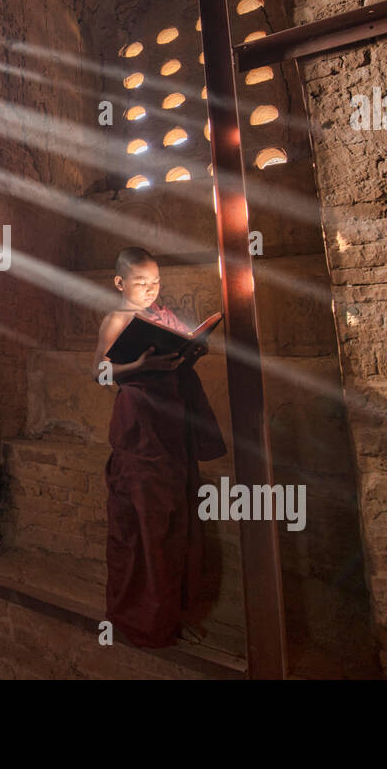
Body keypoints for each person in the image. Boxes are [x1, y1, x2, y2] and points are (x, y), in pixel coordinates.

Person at [92, 246, 227, 648]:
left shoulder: (163, 319)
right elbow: (98, 371)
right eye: (140, 283)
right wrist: (138, 367)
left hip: (172, 424)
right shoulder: (117, 319)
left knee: (175, 522)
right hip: (140, 428)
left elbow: (173, 361)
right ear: (120, 283)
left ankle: (173, 613)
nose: (150, 290)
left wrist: (190, 352)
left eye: (155, 282)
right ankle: (139, 620)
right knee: (142, 528)